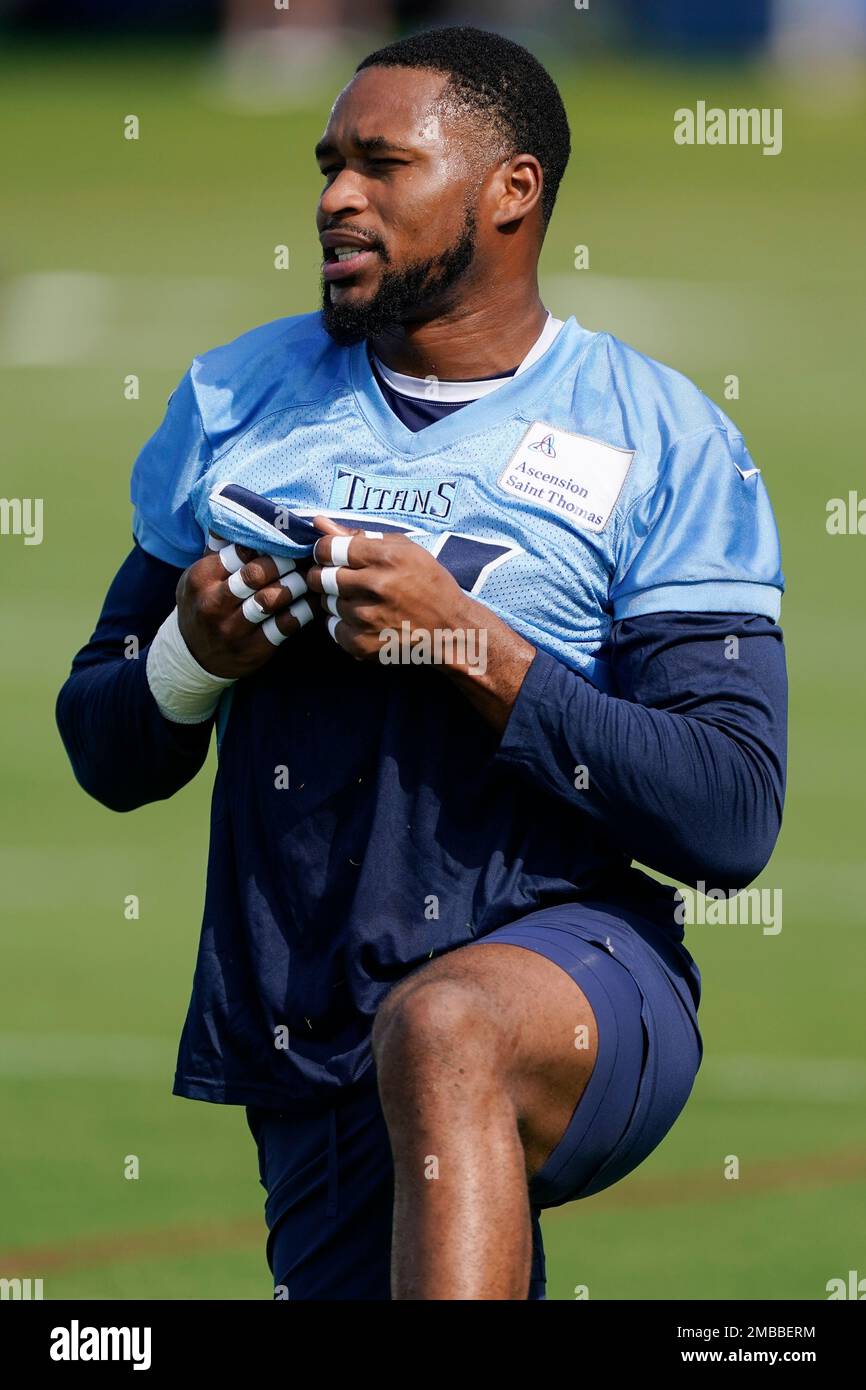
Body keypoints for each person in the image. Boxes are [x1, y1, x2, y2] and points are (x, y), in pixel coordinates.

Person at [56, 26, 787, 1300]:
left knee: (446, 1028)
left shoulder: (660, 437)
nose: (335, 195)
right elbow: (104, 744)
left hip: (576, 982)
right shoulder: (235, 403)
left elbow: (727, 812)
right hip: (307, 1019)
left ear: (511, 190)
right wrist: (192, 656)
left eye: (380, 164)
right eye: (328, 163)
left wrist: (468, 642)